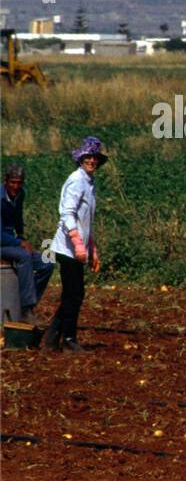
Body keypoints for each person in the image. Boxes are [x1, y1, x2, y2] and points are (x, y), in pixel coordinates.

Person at [43, 137, 106, 353]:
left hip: (76, 247)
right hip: (67, 247)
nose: (92, 161)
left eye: (94, 157)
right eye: (88, 157)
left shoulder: (89, 182)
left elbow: (86, 220)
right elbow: (67, 214)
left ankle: (51, 340)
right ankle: (68, 340)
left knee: (73, 294)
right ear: (80, 159)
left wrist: (92, 248)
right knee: (74, 294)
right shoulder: (76, 180)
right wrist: (78, 243)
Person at [1, 162, 55, 324]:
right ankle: (26, 309)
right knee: (24, 255)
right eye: (13, 182)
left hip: (10, 242)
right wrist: (19, 243)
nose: (16, 186)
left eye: (19, 183)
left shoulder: (20, 194)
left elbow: (18, 218)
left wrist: (22, 237)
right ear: (6, 181)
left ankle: (29, 305)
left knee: (47, 262)